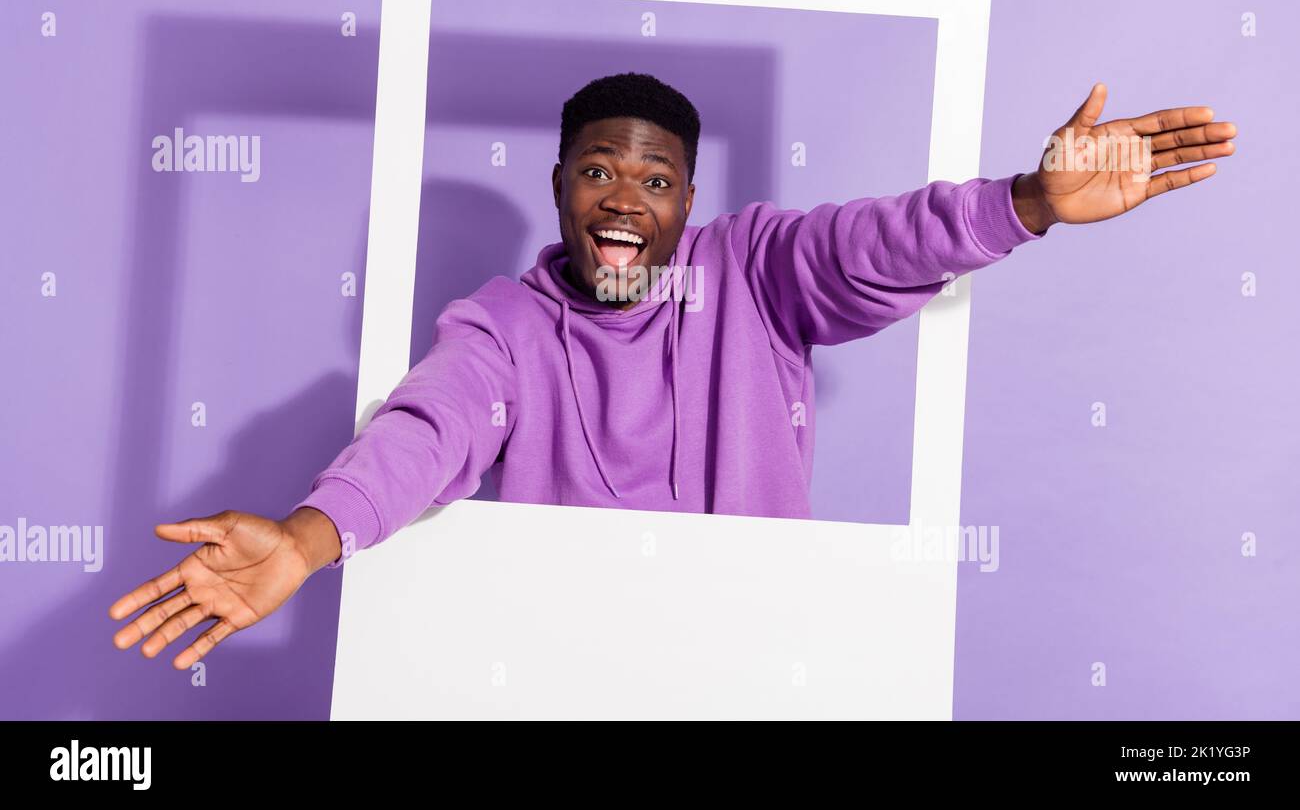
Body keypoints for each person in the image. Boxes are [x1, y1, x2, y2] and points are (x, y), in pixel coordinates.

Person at [108, 71, 1237, 669]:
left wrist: (1026, 202)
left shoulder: (751, 268)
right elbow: (430, 428)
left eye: (654, 182)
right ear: (561, 184)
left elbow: (869, 244)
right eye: (598, 171)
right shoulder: (506, 324)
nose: (623, 201)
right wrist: (306, 540)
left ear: (687, 201)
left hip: (757, 670)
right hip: (565, 676)